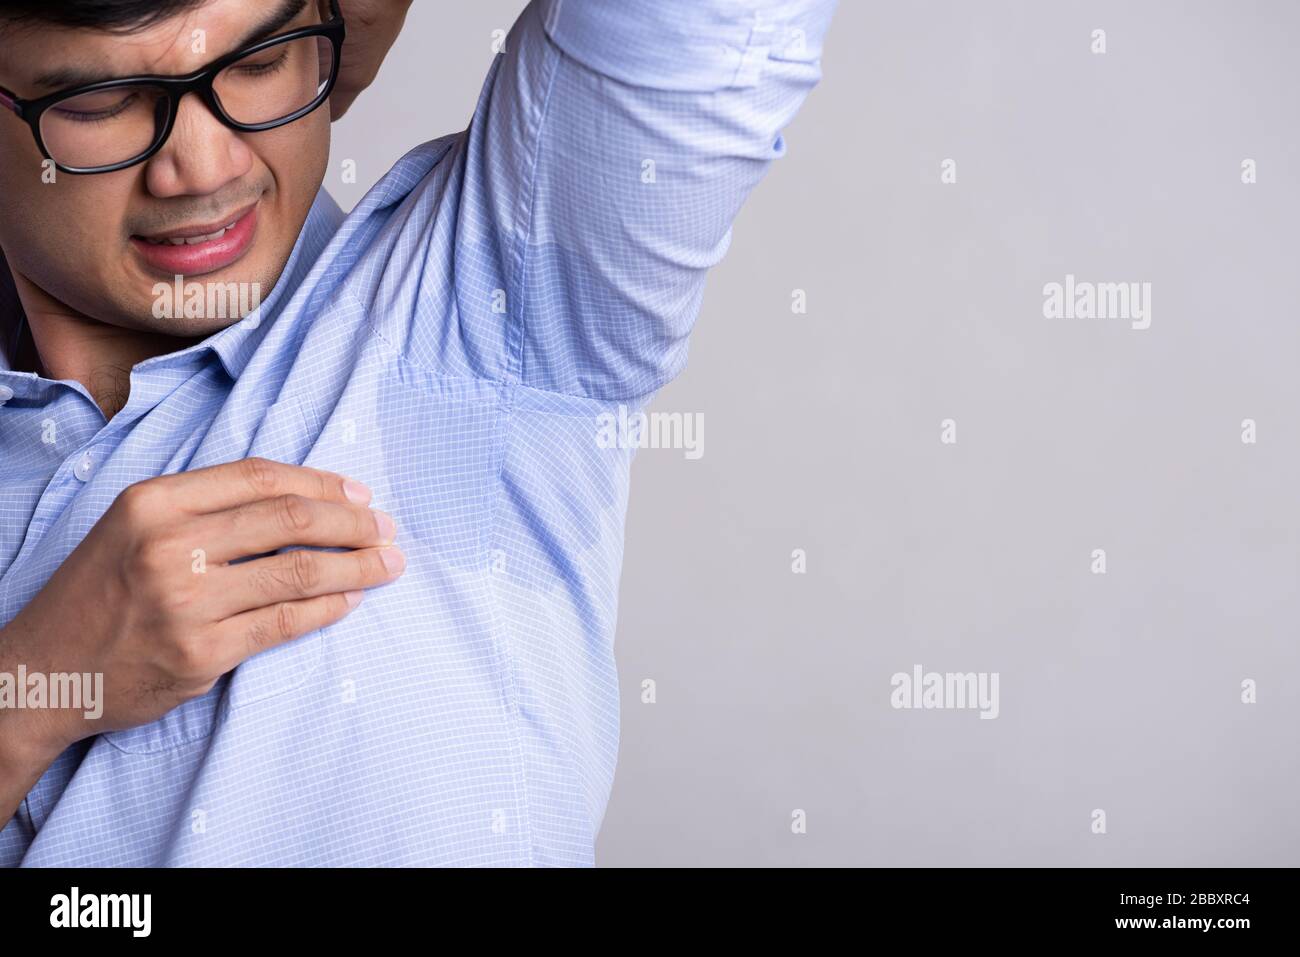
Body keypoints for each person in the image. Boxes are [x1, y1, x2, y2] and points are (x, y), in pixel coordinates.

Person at [0, 0, 836, 865]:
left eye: (261, 60)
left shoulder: (496, 298)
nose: (204, 167)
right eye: (101, 103)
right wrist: (32, 688)